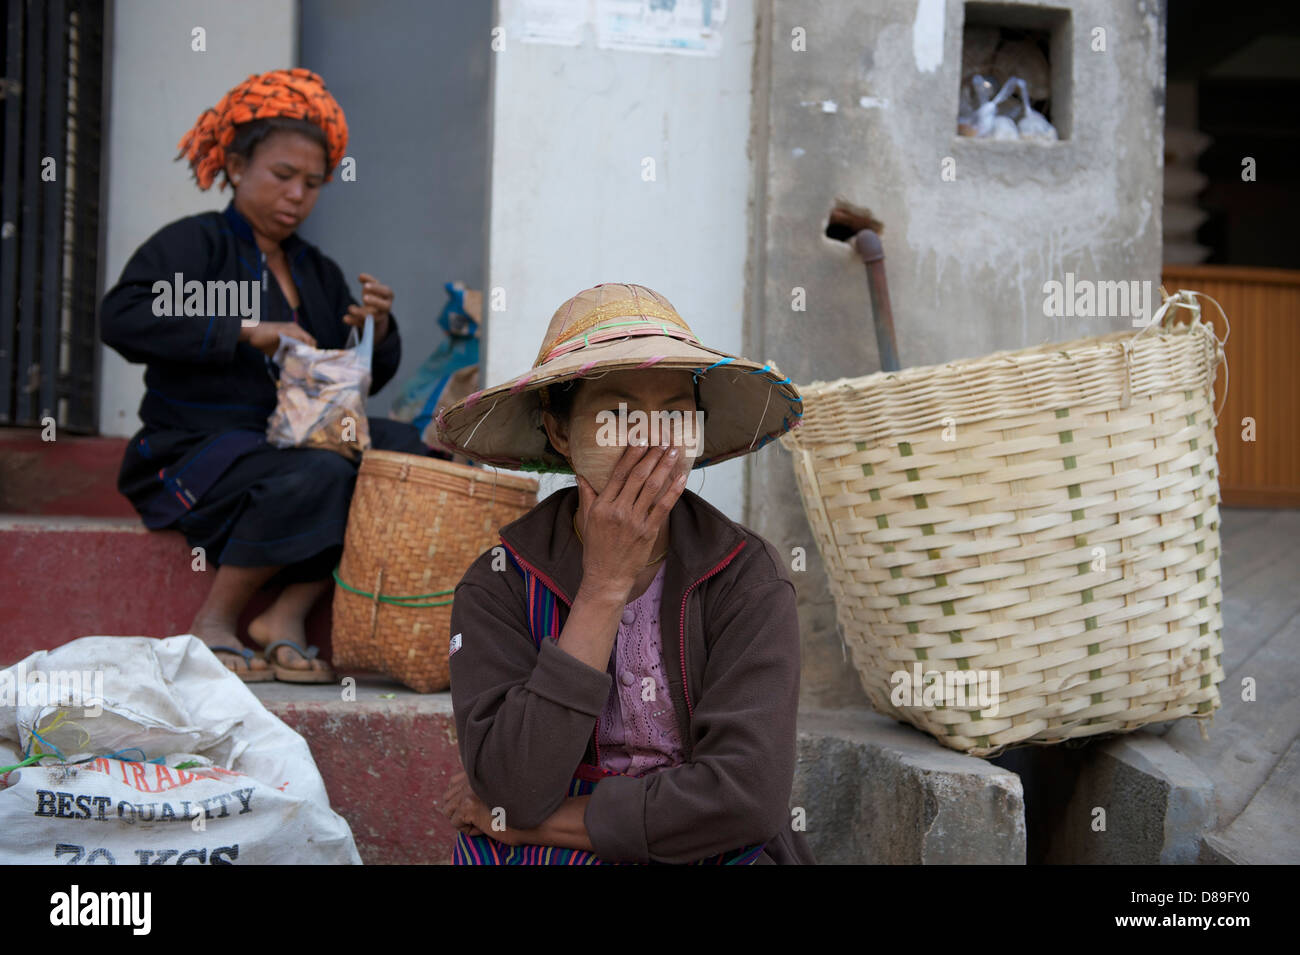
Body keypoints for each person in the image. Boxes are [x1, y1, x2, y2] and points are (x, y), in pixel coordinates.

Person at [435, 282, 814, 864]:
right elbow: (511, 787)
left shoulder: (746, 578)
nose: (649, 441)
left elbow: (744, 799)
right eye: (617, 414)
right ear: (560, 432)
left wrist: (544, 826)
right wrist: (605, 587)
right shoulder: (499, 583)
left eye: (674, 415)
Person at [100, 68, 439, 683]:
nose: (297, 196)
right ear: (234, 166)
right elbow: (123, 316)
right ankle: (215, 619)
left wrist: (376, 332)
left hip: (295, 442)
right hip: (198, 447)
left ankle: (284, 614)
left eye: (312, 184)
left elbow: (351, 381)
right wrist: (240, 329)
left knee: (405, 455)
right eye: (282, 177)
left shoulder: (317, 271)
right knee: (321, 467)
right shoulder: (195, 246)